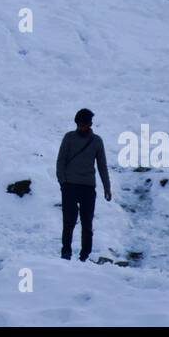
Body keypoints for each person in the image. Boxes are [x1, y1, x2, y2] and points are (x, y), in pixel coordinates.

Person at [55, 108, 112, 261]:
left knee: (87, 224)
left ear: (90, 124)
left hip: (88, 187)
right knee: (69, 222)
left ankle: (84, 256)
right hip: (69, 186)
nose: (83, 127)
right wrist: (63, 182)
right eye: (80, 124)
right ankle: (65, 253)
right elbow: (60, 161)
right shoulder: (69, 138)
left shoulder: (97, 141)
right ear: (77, 123)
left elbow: (102, 165)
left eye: (85, 124)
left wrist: (107, 187)